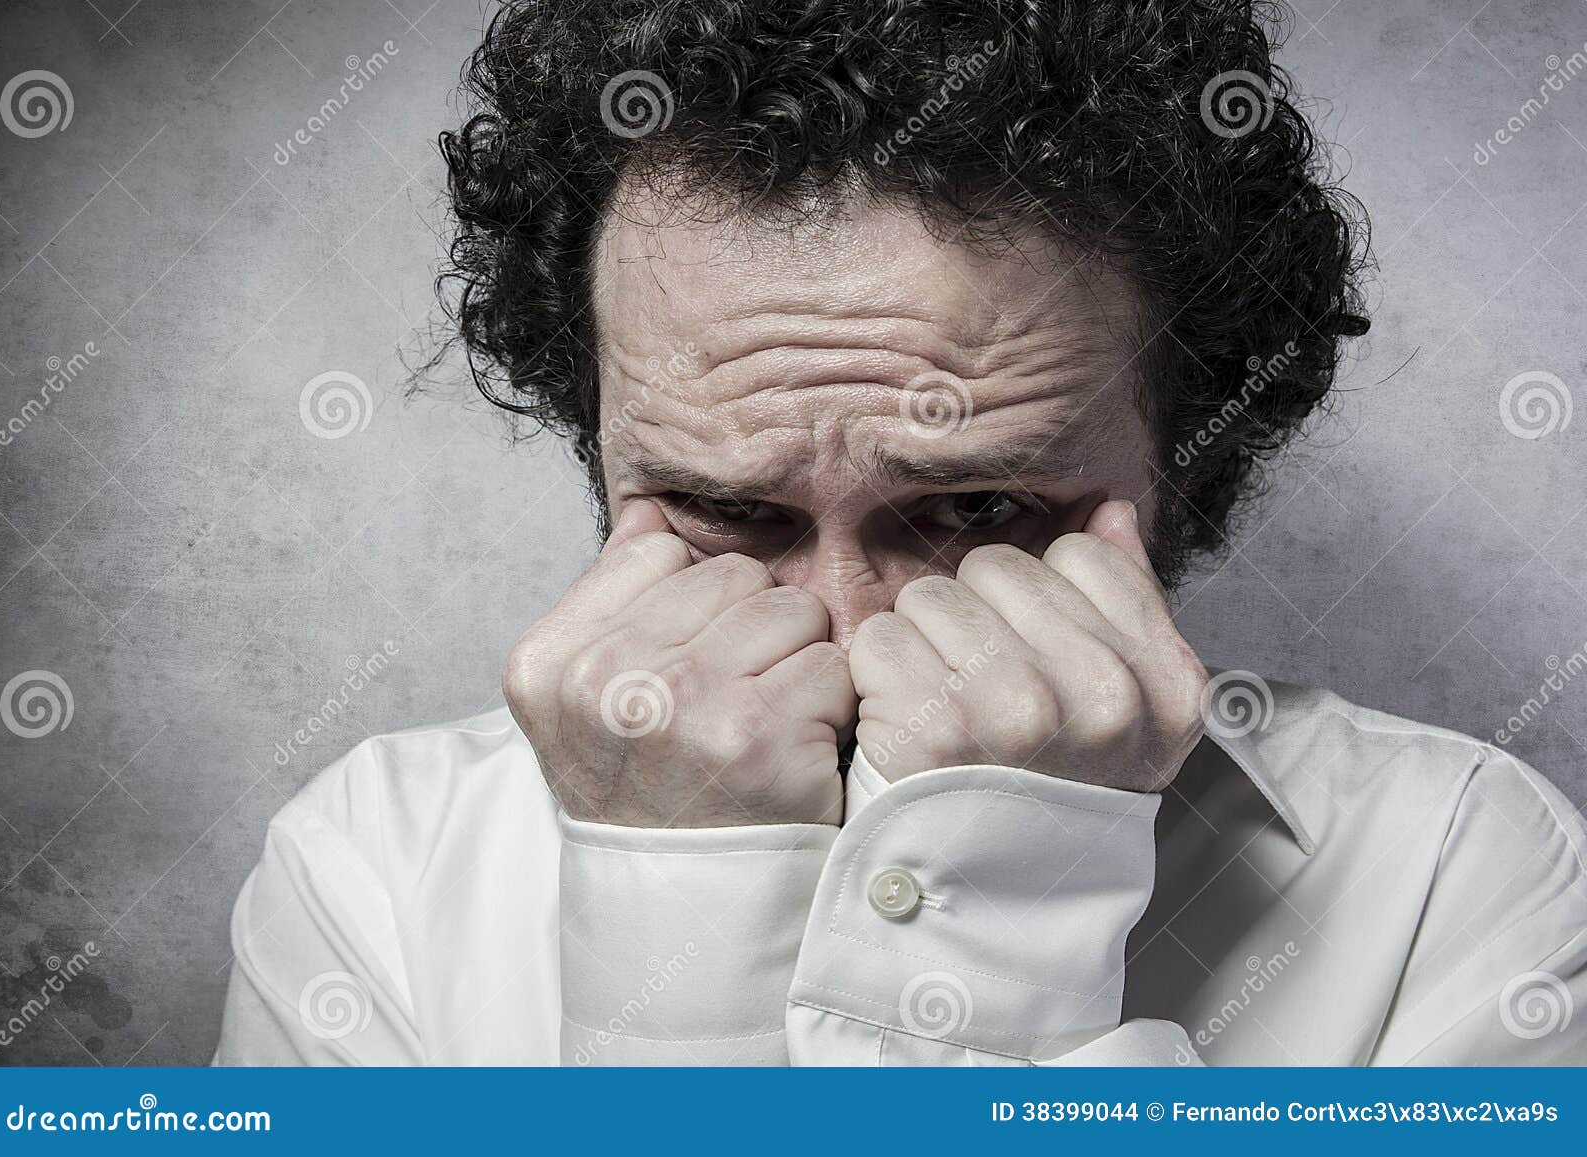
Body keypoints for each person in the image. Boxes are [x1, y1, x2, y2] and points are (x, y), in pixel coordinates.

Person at [215, 0, 1587, 1065]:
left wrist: (1003, 908)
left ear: (1190, 451)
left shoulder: (1453, 874)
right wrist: (672, 927)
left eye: (976, 510)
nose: (847, 627)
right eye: (728, 511)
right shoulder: (376, 868)